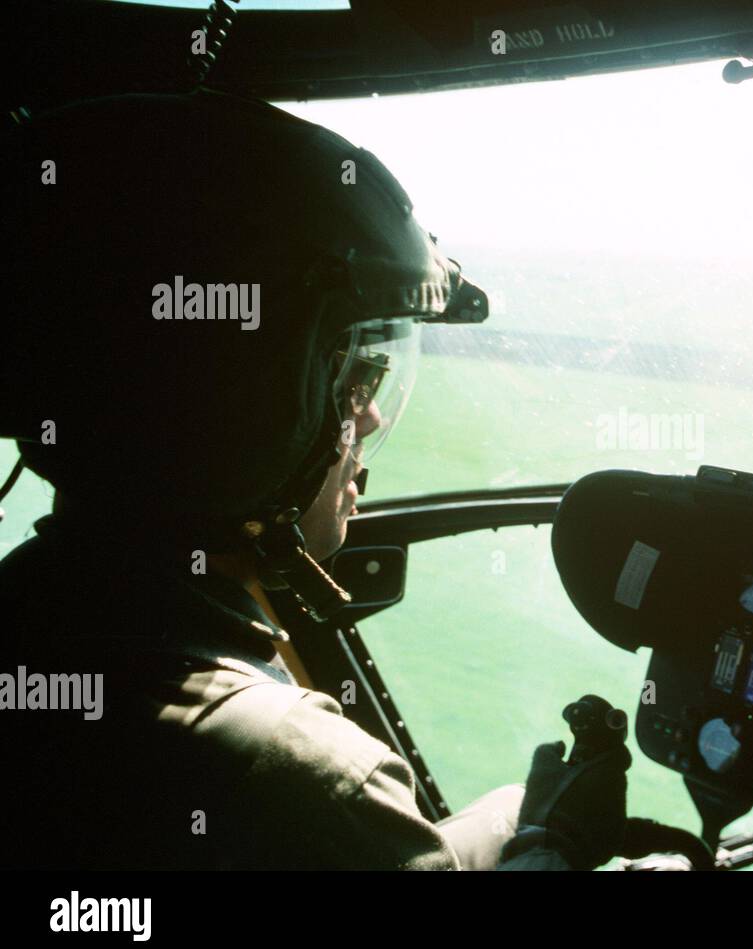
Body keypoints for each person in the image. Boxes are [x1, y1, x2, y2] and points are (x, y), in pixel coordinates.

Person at [0, 89, 629, 870]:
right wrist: (561, 845)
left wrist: (523, 826)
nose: (365, 421)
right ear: (249, 405)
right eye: (355, 379)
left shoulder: (32, 612)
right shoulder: (288, 769)